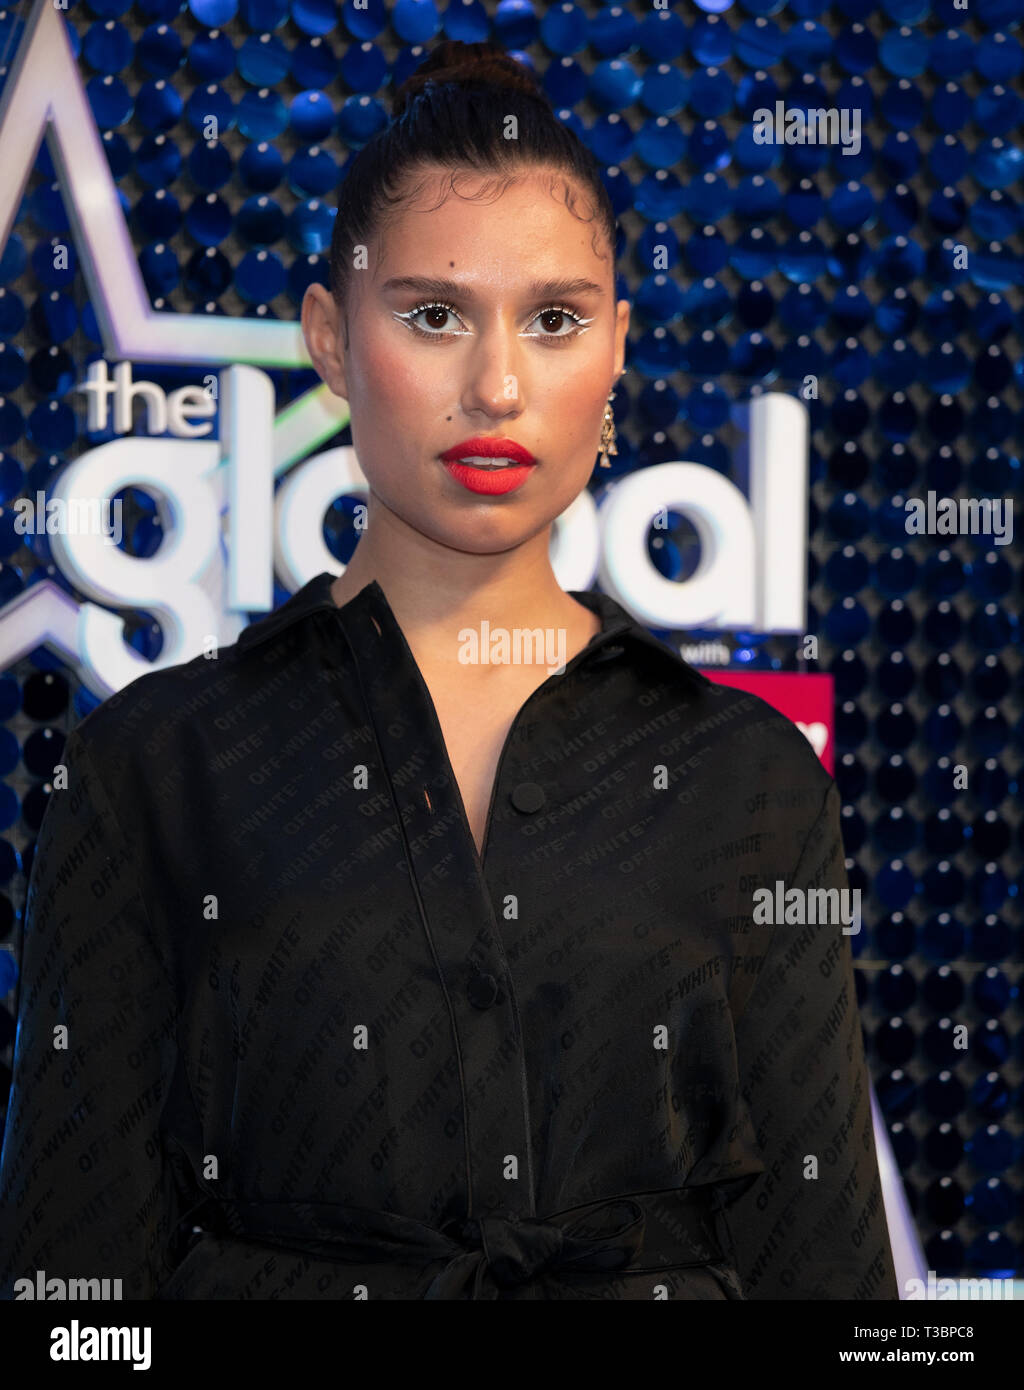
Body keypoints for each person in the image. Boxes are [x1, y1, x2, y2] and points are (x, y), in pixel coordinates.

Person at [0, 40, 897, 1301]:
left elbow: (834, 1283)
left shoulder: (745, 781)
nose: (495, 385)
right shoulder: (150, 769)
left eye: (554, 318)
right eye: (432, 314)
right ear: (327, 335)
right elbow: (67, 1301)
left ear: (619, 346)